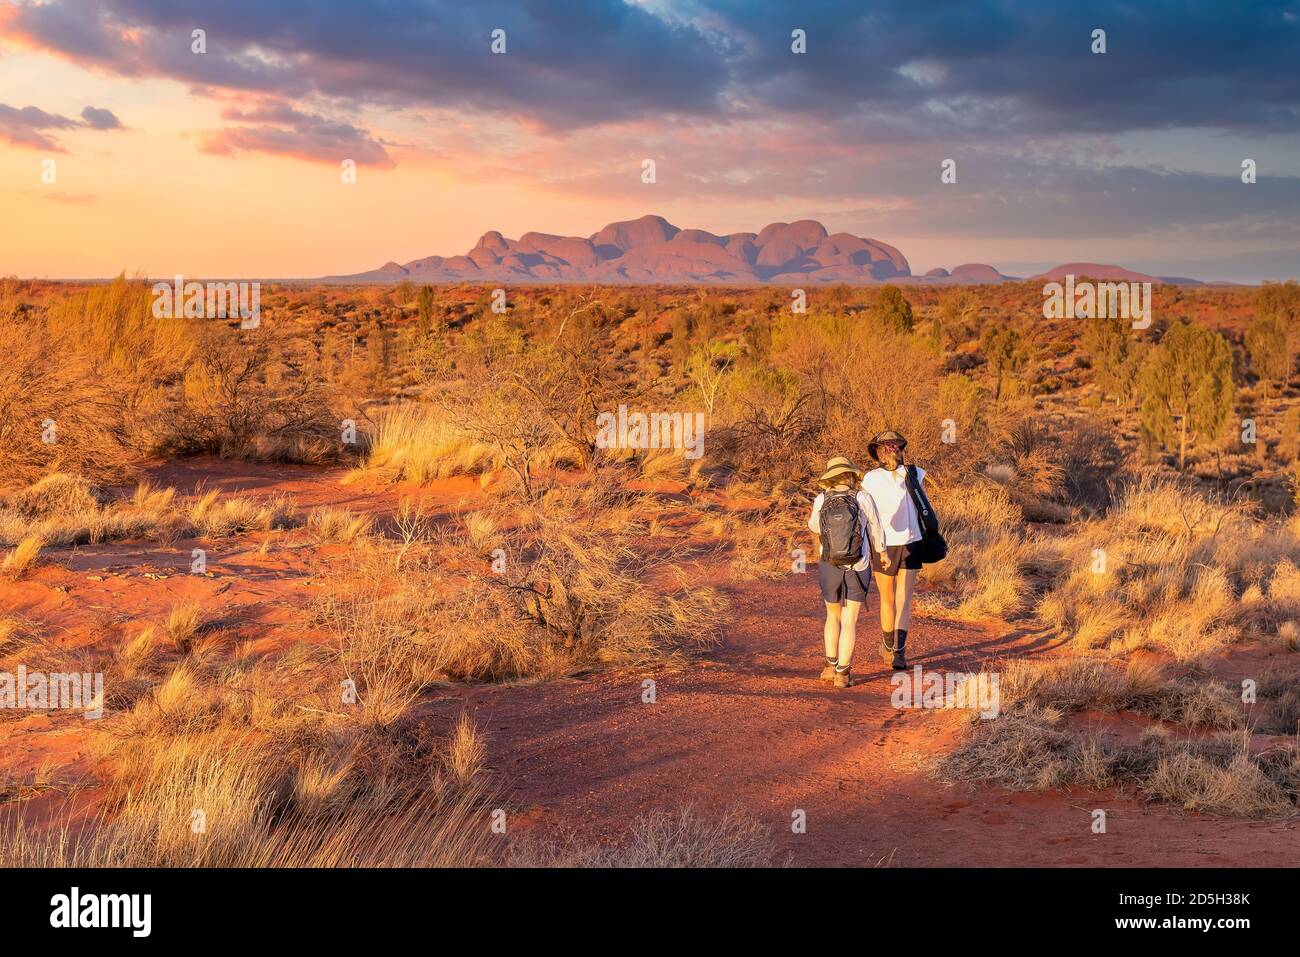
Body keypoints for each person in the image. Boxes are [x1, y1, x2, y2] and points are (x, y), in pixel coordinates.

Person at [807, 456, 888, 689]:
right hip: (858, 564)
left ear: (830, 477)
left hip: (829, 564)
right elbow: (876, 528)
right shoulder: (863, 497)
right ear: (851, 475)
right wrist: (882, 552)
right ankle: (843, 674)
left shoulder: (821, 499)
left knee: (832, 616)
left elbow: (814, 526)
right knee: (849, 619)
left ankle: (829, 667)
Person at [860, 431, 925, 670]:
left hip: (883, 544)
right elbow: (923, 508)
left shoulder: (870, 479)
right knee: (903, 600)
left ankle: (889, 648)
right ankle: (899, 653)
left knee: (887, 599)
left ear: (878, 452)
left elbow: (865, 512)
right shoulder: (915, 473)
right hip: (912, 541)